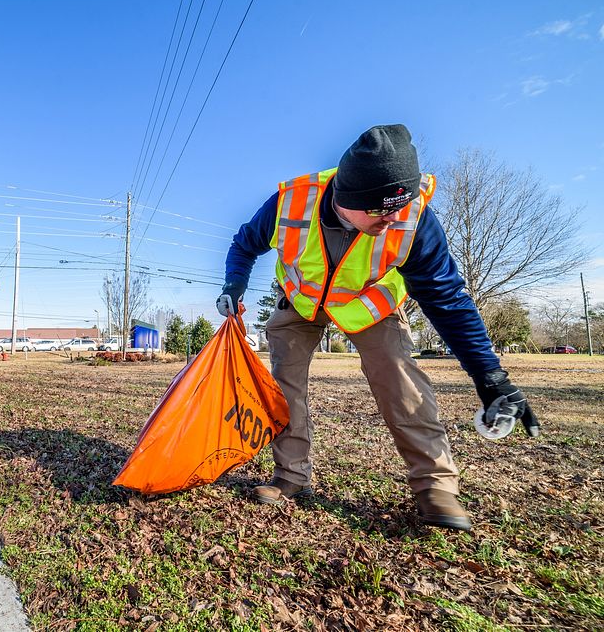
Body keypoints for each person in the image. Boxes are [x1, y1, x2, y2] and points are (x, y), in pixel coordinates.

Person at [217, 124, 540, 531]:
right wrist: (234, 285)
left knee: (399, 379)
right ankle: (291, 476)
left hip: (371, 305)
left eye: (399, 207)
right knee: (284, 384)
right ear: (345, 199)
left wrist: (490, 377)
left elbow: (447, 299)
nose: (392, 219)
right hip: (301, 301)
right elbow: (245, 244)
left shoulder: (414, 220)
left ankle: (435, 486)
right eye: (379, 210)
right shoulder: (290, 203)